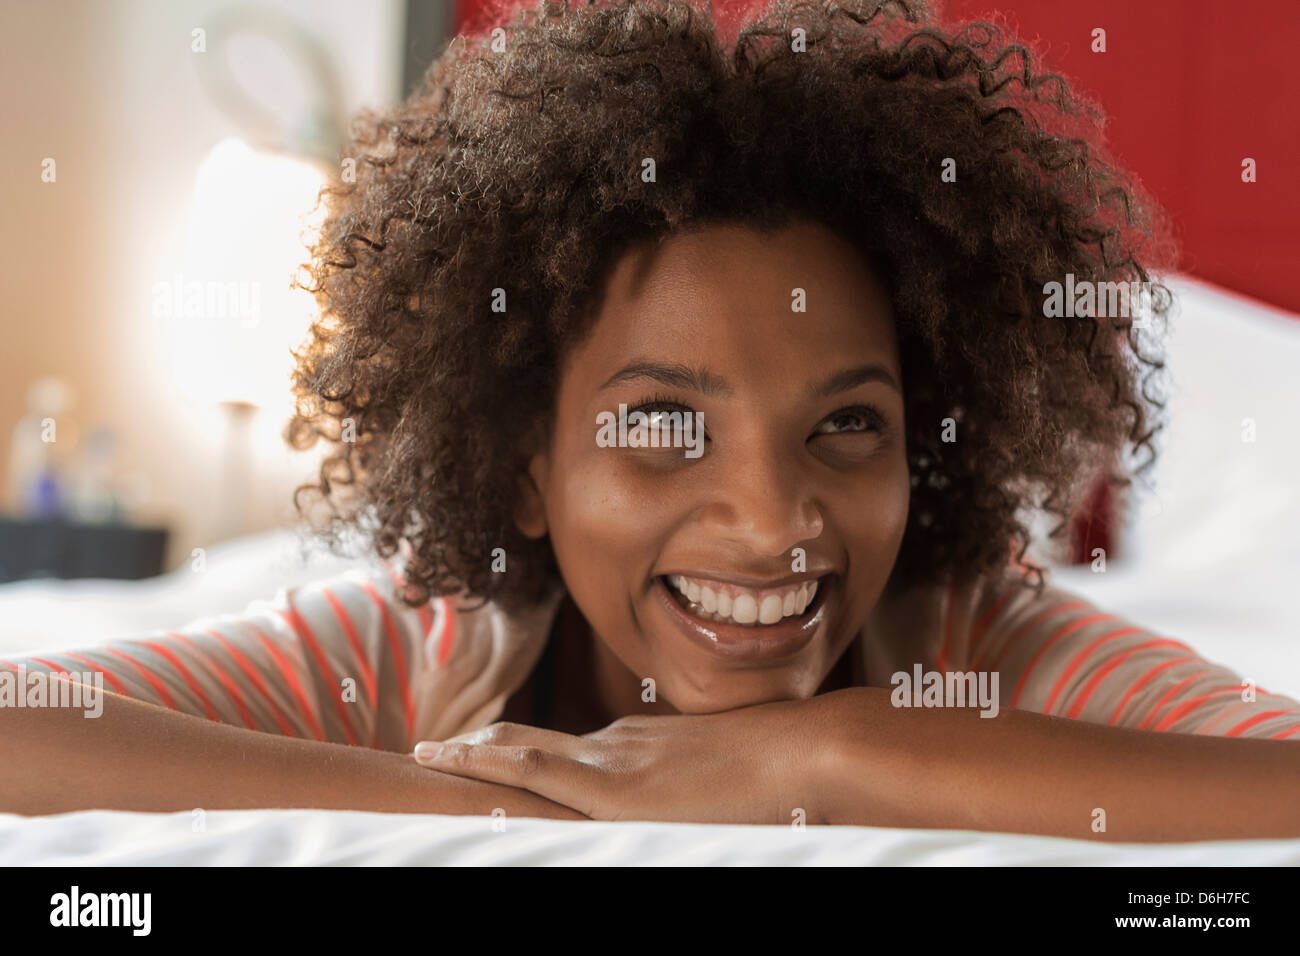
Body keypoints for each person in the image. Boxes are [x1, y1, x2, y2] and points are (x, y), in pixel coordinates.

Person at [3, 0, 1297, 839]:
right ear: (523, 465)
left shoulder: (976, 640)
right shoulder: (425, 647)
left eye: (847, 427)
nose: (773, 519)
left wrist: (830, 752)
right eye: (664, 424)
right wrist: (513, 805)